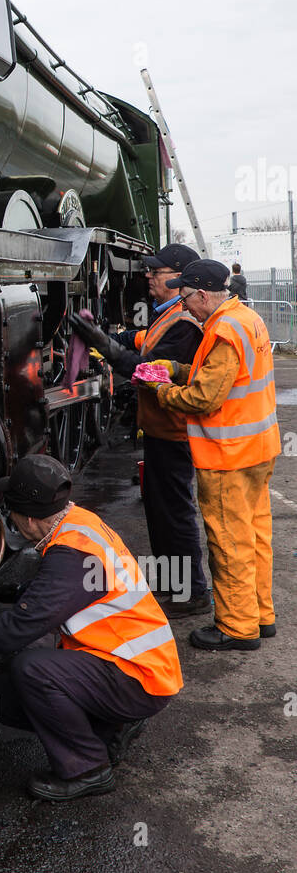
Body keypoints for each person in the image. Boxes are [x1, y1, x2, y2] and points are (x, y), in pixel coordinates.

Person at [0, 455, 183, 802]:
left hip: (140, 677)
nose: (10, 520)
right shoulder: (77, 522)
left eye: (12, 512)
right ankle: (111, 725)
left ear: (29, 518)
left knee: (31, 670)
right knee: (3, 697)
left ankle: (88, 769)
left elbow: (15, 629)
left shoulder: (73, 556)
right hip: (135, 662)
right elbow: (56, 596)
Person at [67, 243, 210, 618]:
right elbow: (144, 340)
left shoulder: (186, 325)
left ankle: (192, 593)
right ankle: (173, 585)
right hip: (163, 431)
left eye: (156, 271)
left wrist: (104, 346)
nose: (148, 275)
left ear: (178, 278)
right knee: (162, 515)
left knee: (174, 514)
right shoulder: (168, 317)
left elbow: (150, 370)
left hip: (176, 432)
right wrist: (112, 336)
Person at [145, 258, 280, 650]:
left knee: (229, 541)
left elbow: (205, 397)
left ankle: (237, 628)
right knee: (255, 535)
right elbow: (222, 376)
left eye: (186, 297)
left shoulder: (221, 330)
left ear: (203, 294)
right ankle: (260, 614)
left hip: (228, 456)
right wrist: (175, 367)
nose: (183, 305)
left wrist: (161, 390)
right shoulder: (246, 319)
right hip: (259, 448)